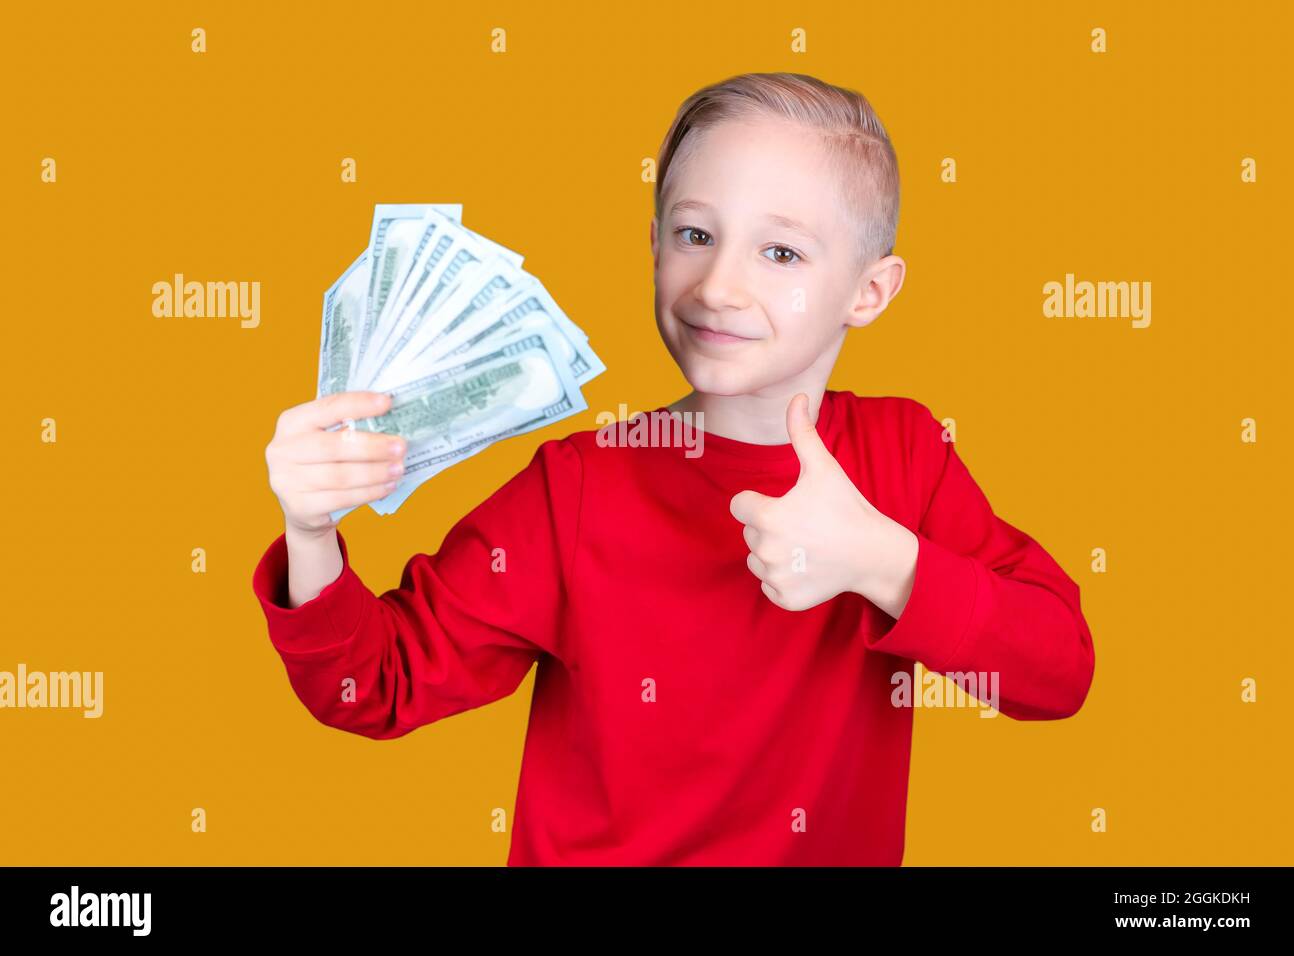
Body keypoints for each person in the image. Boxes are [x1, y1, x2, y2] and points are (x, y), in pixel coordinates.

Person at [252, 72, 1095, 865]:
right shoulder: (576, 488)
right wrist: (310, 529)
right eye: (696, 236)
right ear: (654, 243)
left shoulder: (906, 456)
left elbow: (1058, 671)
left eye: (783, 253)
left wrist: (883, 562)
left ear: (868, 292)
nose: (718, 286)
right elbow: (373, 687)